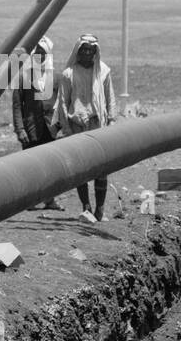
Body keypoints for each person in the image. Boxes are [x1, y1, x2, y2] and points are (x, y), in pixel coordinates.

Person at [54, 33, 117, 223]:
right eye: (84, 50)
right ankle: (86, 208)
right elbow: (63, 103)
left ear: (95, 52)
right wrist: (66, 128)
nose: (87, 53)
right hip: (77, 126)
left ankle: (100, 210)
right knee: (81, 170)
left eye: (91, 50)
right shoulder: (68, 74)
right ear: (78, 52)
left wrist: (112, 121)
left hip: (98, 125)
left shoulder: (103, 72)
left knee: (101, 168)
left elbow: (110, 98)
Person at [11, 36, 61, 210]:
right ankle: (30, 201)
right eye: (37, 51)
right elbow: (17, 106)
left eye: (43, 52)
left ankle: (50, 200)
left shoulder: (55, 77)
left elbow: (60, 103)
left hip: (50, 129)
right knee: (30, 166)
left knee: (50, 165)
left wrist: (60, 126)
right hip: (31, 129)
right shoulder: (23, 76)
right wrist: (20, 130)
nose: (39, 54)